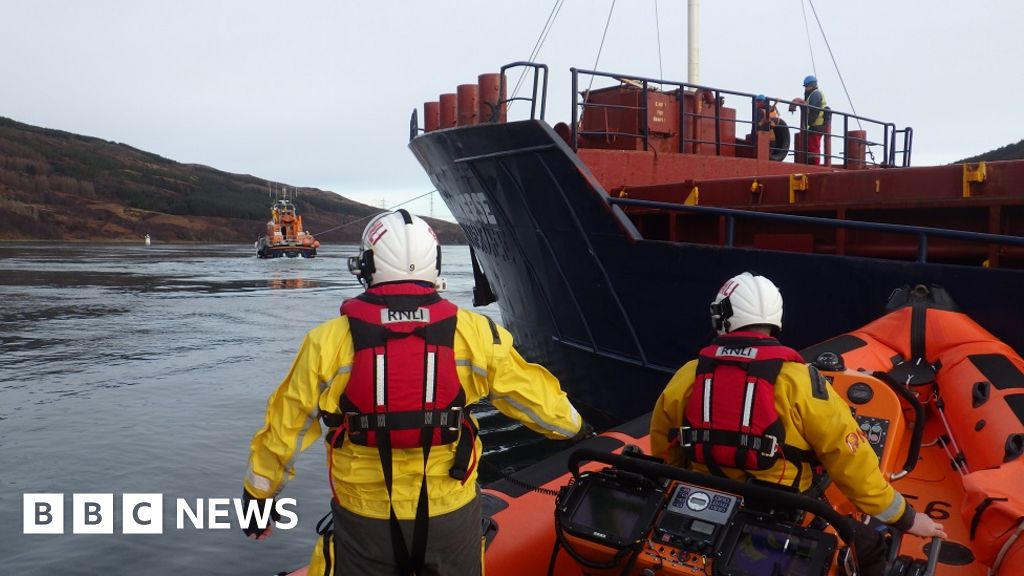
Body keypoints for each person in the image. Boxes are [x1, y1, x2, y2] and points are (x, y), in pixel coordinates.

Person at [242, 209, 587, 575]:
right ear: (433, 264)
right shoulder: (477, 334)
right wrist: (577, 428)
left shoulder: (326, 342)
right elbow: (535, 399)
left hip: (364, 522)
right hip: (450, 517)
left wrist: (258, 498)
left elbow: (285, 427)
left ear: (367, 265)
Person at [649, 272, 946, 576]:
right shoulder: (802, 382)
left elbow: (664, 449)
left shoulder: (688, 376)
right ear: (774, 319)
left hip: (702, 505)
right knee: (870, 545)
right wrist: (907, 518)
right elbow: (852, 462)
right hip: (783, 514)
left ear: (721, 317)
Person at [788, 75, 828, 165]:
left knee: (813, 147)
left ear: (811, 85)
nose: (805, 89)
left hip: (817, 125)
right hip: (814, 125)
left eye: (806, 86)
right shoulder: (812, 94)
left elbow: (814, 111)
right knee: (811, 146)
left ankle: (814, 165)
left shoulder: (815, 94)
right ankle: (810, 162)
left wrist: (808, 122)